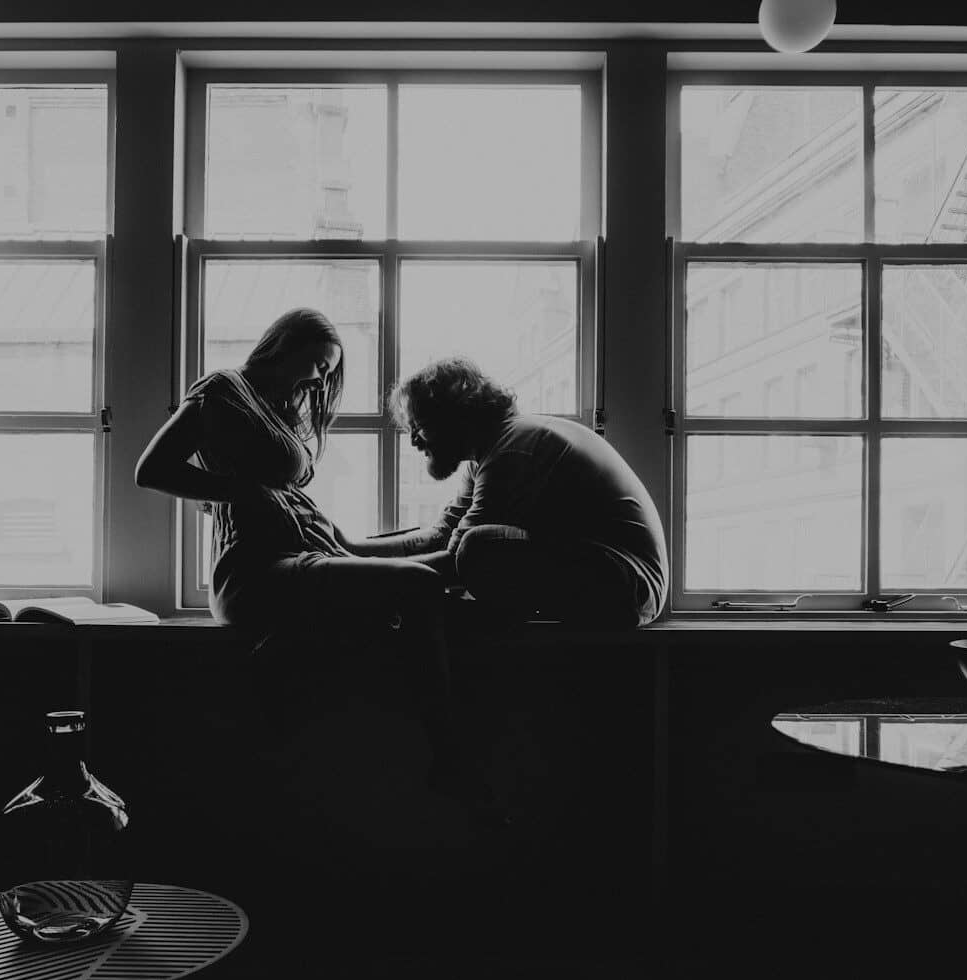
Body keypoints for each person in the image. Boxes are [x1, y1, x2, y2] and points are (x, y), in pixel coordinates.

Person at [133, 309, 495, 812]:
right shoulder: (222, 390)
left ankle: (290, 651)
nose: (322, 379)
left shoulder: (279, 407)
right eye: (319, 365)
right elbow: (149, 470)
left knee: (423, 593)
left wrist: (341, 544)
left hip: (301, 557)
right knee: (417, 586)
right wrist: (240, 491)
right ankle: (450, 756)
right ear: (284, 344)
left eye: (328, 371)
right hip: (255, 570)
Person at [387, 356, 669, 629]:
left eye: (419, 427)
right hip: (619, 579)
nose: (413, 441)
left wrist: (368, 573)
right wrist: (352, 549)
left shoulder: (512, 448)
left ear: (454, 416)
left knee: (478, 548)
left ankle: (488, 621)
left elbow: (453, 562)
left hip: (630, 588)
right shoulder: (488, 452)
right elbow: (440, 536)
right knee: (472, 554)